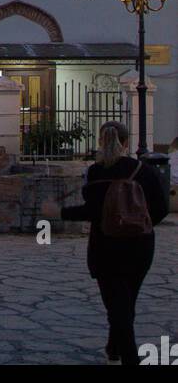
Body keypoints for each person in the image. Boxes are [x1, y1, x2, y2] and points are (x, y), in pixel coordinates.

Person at [61, 120, 168, 365]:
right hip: (141, 246)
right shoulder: (143, 171)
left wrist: (59, 213)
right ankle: (114, 347)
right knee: (126, 299)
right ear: (127, 142)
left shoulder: (96, 173)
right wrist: (139, 224)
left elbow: (91, 211)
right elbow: (160, 208)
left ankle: (129, 358)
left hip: (106, 245)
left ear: (101, 141)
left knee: (117, 303)